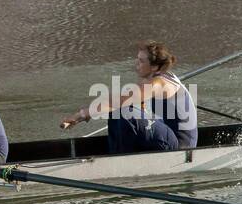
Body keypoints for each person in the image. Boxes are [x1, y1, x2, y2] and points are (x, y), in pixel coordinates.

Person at [60, 41, 197, 152]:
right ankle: (117, 152)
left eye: (142, 61)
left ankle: (120, 159)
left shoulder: (159, 83)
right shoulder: (151, 78)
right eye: (137, 59)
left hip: (181, 146)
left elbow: (121, 100)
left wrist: (82, 114)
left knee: (125, 112)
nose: (136, 64)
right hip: (167, 133)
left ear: (155, 67)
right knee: (120, 111)